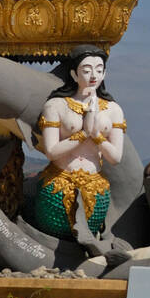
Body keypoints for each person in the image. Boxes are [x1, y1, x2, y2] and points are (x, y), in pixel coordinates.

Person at [32, 44, 126, 251]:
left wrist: (96, 136)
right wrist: (83, 133)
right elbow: (51, 151)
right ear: (74, 74)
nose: (93, 75)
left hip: (95, 189)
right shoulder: (56, 105)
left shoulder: (113, 110)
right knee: (53, 239)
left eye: (99, 70)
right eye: (86, 70)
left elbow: (115, 157)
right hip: (59, 184)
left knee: (86, 242)